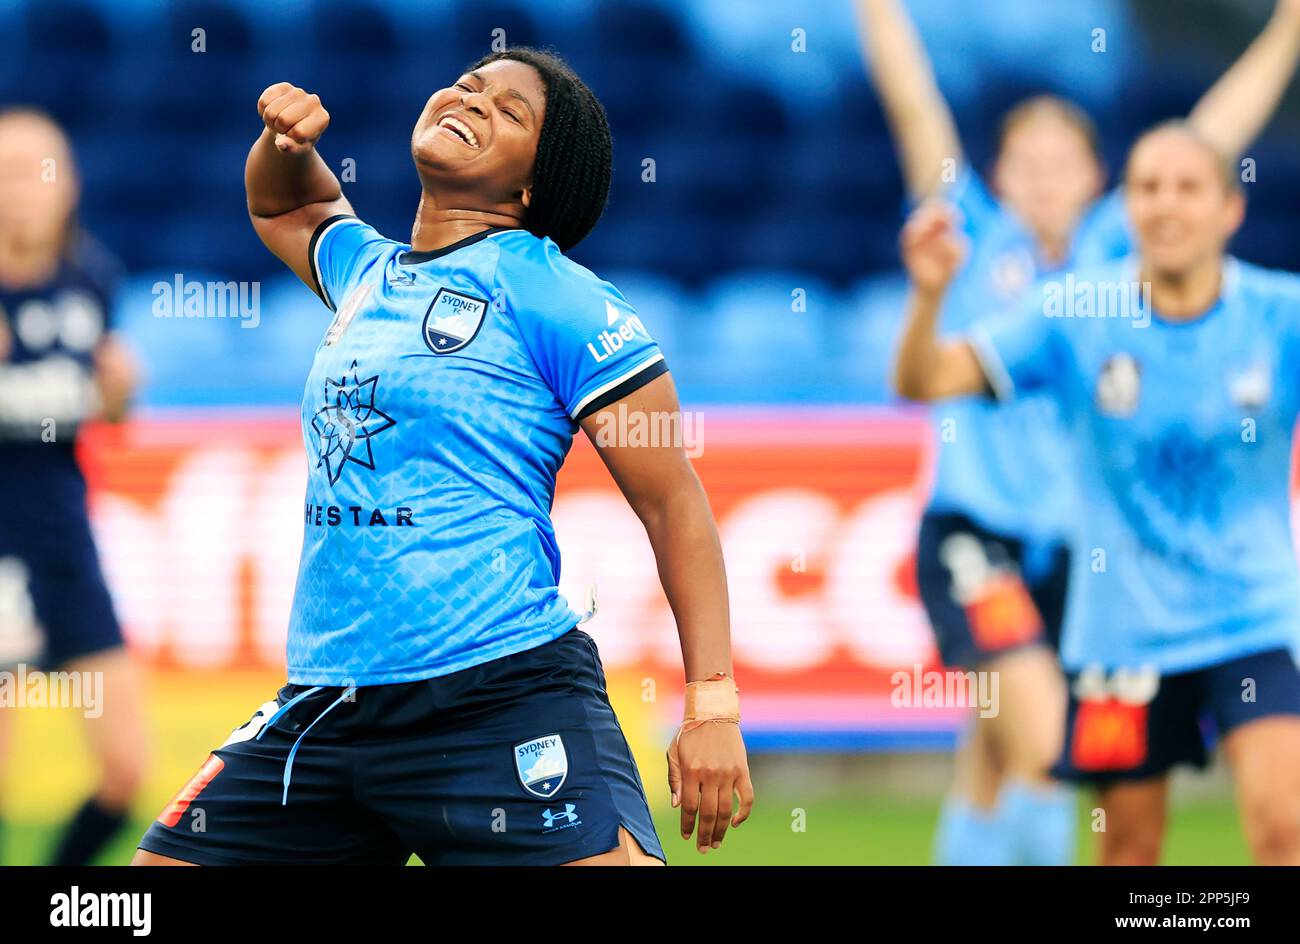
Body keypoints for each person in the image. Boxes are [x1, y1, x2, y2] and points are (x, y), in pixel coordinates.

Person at [134, 48, 752, 866]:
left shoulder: (557, 295)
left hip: (498, 697)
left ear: (535, 186)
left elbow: (673, 501)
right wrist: (284, 145)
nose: (472, 99)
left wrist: (712, 707)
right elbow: (286, 209)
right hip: (330, 705)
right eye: (469, 85)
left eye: (509, 110)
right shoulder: (366, 271)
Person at [856, 0, 1300, 864]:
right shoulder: (970, 232)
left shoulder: (1118, 250)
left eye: (1063, 165)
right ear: (1000, 173)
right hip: (978, 536)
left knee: (989, 763)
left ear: (1099, 181)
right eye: (1027, 163)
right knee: (1041, 746)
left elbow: (1210, 135)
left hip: (1079, 553)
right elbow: (914, 103)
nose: (1044, 180)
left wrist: (1289, 27)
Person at [0, 108, 146, 864]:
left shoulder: (93, 277)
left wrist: (119, 393)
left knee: (127, 771)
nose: (22, 191)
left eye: (38, 172)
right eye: (7, 173)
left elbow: (104, 416)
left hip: (64, 541)